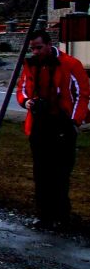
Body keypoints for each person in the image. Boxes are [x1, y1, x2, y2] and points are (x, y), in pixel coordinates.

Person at [16, 29, 89, 229]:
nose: (36, 52)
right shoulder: (31, 66)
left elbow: (82, 94)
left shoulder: (70, 65)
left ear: (49, 44)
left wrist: (74, 121)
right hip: (39, 125)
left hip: (62, 125)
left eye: (39, 47)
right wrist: (27, 102)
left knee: (60, 173)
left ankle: (61, 216)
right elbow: (22, 89)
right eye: (33, 48)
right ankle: (44, 215)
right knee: (41, 173)